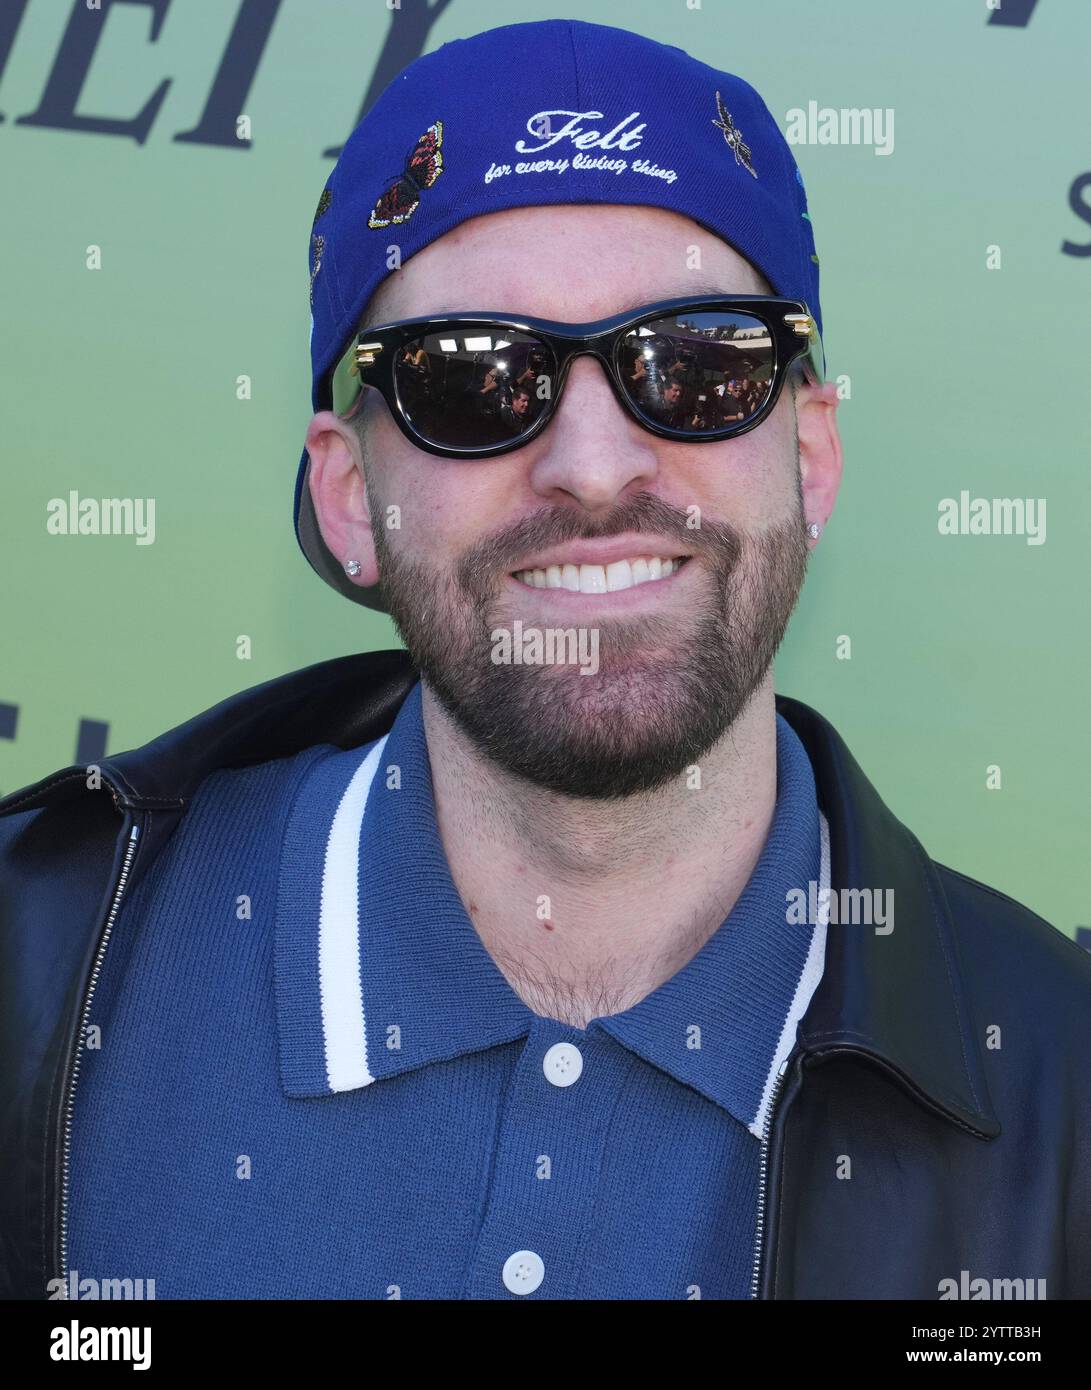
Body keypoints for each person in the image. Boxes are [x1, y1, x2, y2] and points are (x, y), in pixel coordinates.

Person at [1, 18, 1088, 1304]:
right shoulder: (45, 966)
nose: (591, 463)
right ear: (349, 498)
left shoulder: (1058, 1086)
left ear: (809, 453)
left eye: (692, 365)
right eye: (472, 379)